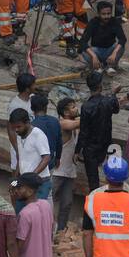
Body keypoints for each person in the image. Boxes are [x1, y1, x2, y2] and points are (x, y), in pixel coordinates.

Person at [79, 70, 126, 191]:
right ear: (100, 86)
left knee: (92, 180)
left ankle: (94, 202)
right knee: (111, 175)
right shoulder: (108, 101)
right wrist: (114, 94)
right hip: (105, 144)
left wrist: (77, 150)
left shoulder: (85, 106)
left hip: (90, 148)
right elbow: (116, 109)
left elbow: (83, 131)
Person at [9, 109, 52, 207]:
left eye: (19, 126)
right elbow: (21, 159)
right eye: (14, 127)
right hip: (24, 182)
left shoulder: (38, 134)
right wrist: (15, 181)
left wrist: (32, 176)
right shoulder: (19, 135)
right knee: (20, 212)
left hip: (40, 183)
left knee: (34, 212)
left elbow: (46, 157)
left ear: (27, 123)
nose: (16, 130)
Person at [51, 97, 80, 235]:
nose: (76, 108)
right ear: (65, 112)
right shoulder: (62, 123)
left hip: (69, 172)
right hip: (57, 172)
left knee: (67, 203)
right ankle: (47, 229)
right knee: (48, 200)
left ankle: (61, 231)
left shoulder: (73, 124)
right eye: (73, 107)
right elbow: (76, 124)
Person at [79, 0, 126, 72]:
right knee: (83, 50)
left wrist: (114, 53)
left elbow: (122, 39)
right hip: (96, 51)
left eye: (108, 13)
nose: (106, 16)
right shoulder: (93, 22)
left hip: (110, 50)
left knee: (121, 47)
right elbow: (83, 42)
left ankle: (110, 66)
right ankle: (98, 66)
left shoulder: (114, 21)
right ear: (98, 14)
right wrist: (93, 56)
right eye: (103, 14)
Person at [30, 92, 62, 177]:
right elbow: (59, 142)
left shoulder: (32, 126)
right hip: (50, 163)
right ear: (46, 107)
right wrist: (58, 158)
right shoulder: (55, 121)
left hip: (36, 165)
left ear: (32, 108)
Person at [6, 71, 36, 152]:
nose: (35, 86)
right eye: (33, 84)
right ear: (27, 89)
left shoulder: (32, 98)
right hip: (21, 145)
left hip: (31, 143)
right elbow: (11, 129)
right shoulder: (15, 105)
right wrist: (17, 150)